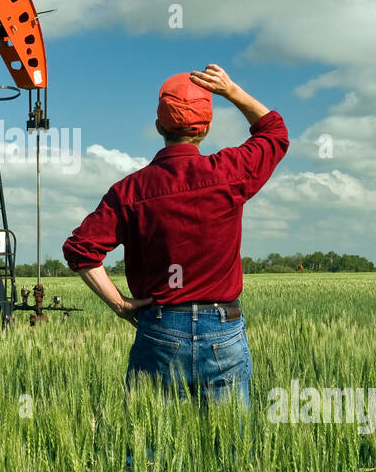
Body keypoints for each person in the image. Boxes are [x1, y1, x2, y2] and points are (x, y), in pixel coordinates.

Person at [61, 65, 289, 407]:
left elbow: (80, 251)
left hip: (159, 327)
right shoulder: (229, 172)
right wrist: (231, 91)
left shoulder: (130, 191)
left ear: (158, 127)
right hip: (222, 330)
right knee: (230, 452)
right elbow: (274, 131)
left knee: (147, 452)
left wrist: (121, 305)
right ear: (207, 128)